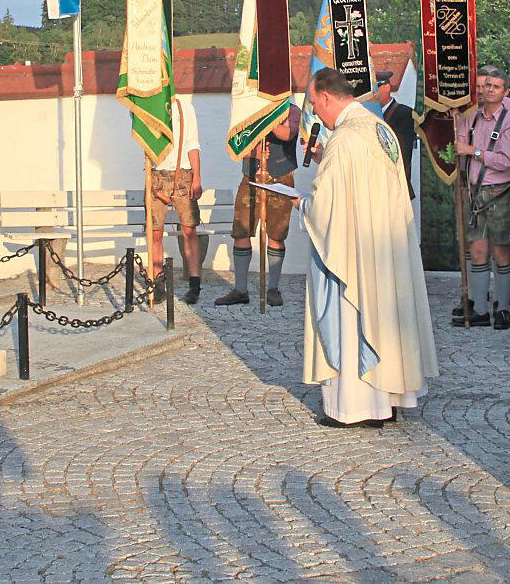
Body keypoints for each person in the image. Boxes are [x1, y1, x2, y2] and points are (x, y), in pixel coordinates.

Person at [299, 67, 439, 428]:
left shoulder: (346, 139)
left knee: (353, 319)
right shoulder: (379, 128)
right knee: (385, 320)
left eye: (315, 104)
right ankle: (386, 400)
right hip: (385, 248)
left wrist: (302, 205)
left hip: (355, 253)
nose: (315, 113)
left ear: (328, 97)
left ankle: (353, 407)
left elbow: (327, 207)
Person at [454, 68, 510, 330]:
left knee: (501, 249)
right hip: (474, 191)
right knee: (478, 249)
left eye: (495, 86)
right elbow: (457, 147)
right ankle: (480, 309)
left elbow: (505, 160)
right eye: (486, 86)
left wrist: (474, 151)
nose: (488, 90)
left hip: (499, 192)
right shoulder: (470, 117)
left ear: (505, 92)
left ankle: (503, 308)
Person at [215, 103, 301, 307]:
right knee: (241, 231)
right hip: (251, 175)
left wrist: (265, 119)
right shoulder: (249, 111)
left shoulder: (292, 110)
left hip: (280, 176)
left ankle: (272, 288)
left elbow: (287, 134)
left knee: (276, 234)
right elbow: (241, 144)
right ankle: (240, 289)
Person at [148, 94, 204, 303]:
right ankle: (157, 283)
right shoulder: (148, 105)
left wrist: (196, 177)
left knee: (189, 230)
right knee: (155, 233)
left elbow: (192, 143)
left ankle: (194, 283)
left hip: (183, 174)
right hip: (156, 175)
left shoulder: (184, 107)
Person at [376, 70, 418, 200]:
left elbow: (401, 150)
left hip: (396, 187)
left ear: (387, 87)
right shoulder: (369, 114)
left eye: (376, 88)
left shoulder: (404, 114)